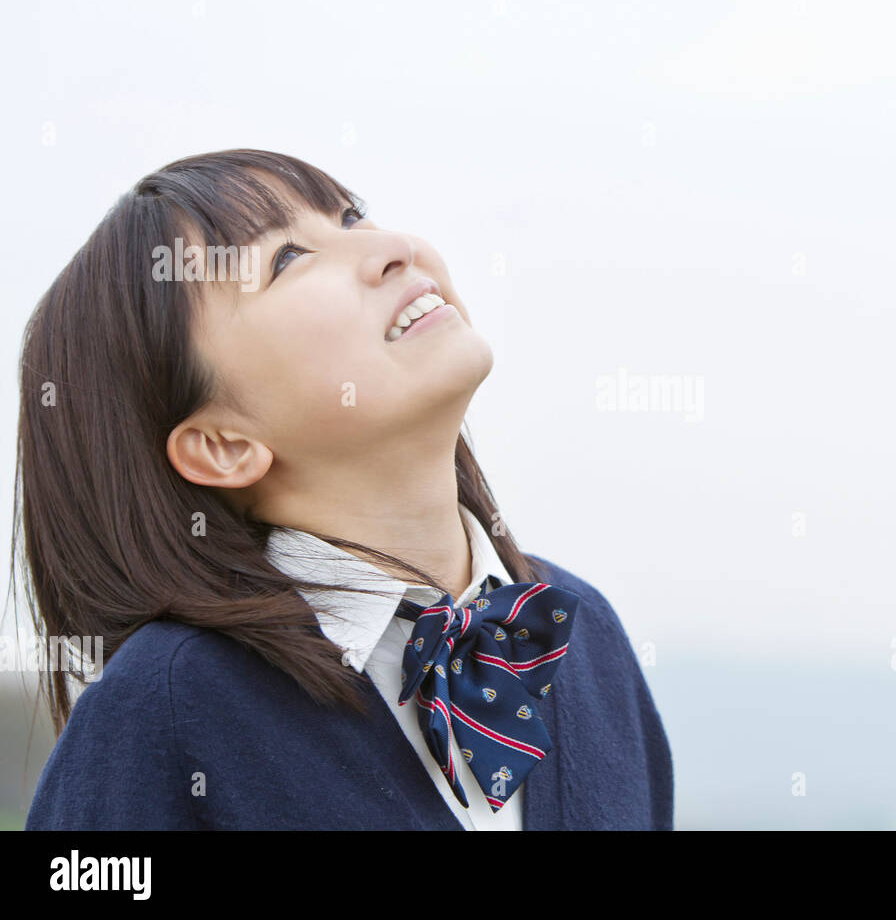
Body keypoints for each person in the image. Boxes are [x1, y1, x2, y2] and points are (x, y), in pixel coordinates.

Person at [17, 148, 673, 830]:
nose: (393, 247)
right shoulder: (167, 710)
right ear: (222, 445)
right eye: (288, 259)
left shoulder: (579, 633)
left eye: (353, 217)